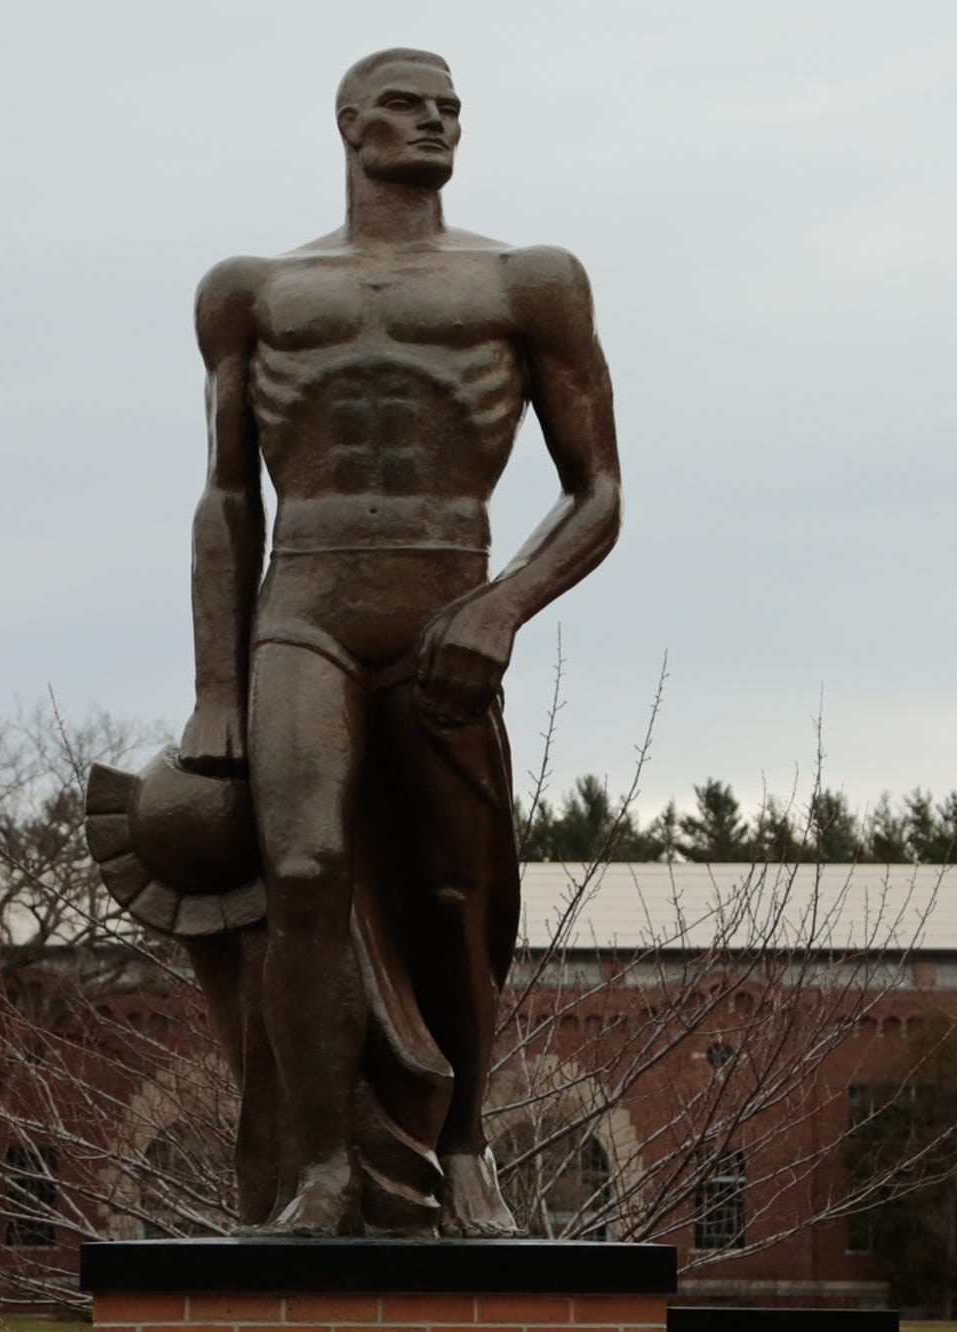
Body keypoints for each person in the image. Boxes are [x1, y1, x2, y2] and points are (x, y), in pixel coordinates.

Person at [175, 47, 623, 1235]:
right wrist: (216, 687)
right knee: (305, 874)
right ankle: (320, 1167)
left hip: (443, 604)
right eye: (405, 106)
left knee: (454, 898)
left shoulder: (527, 282)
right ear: (347, 126)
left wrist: (499, 607)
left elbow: (600, 493)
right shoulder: (252, 290)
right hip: (305, 607)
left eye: (450, 111)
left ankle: (462, 1151)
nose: (433, 123)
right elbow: (227, 499)